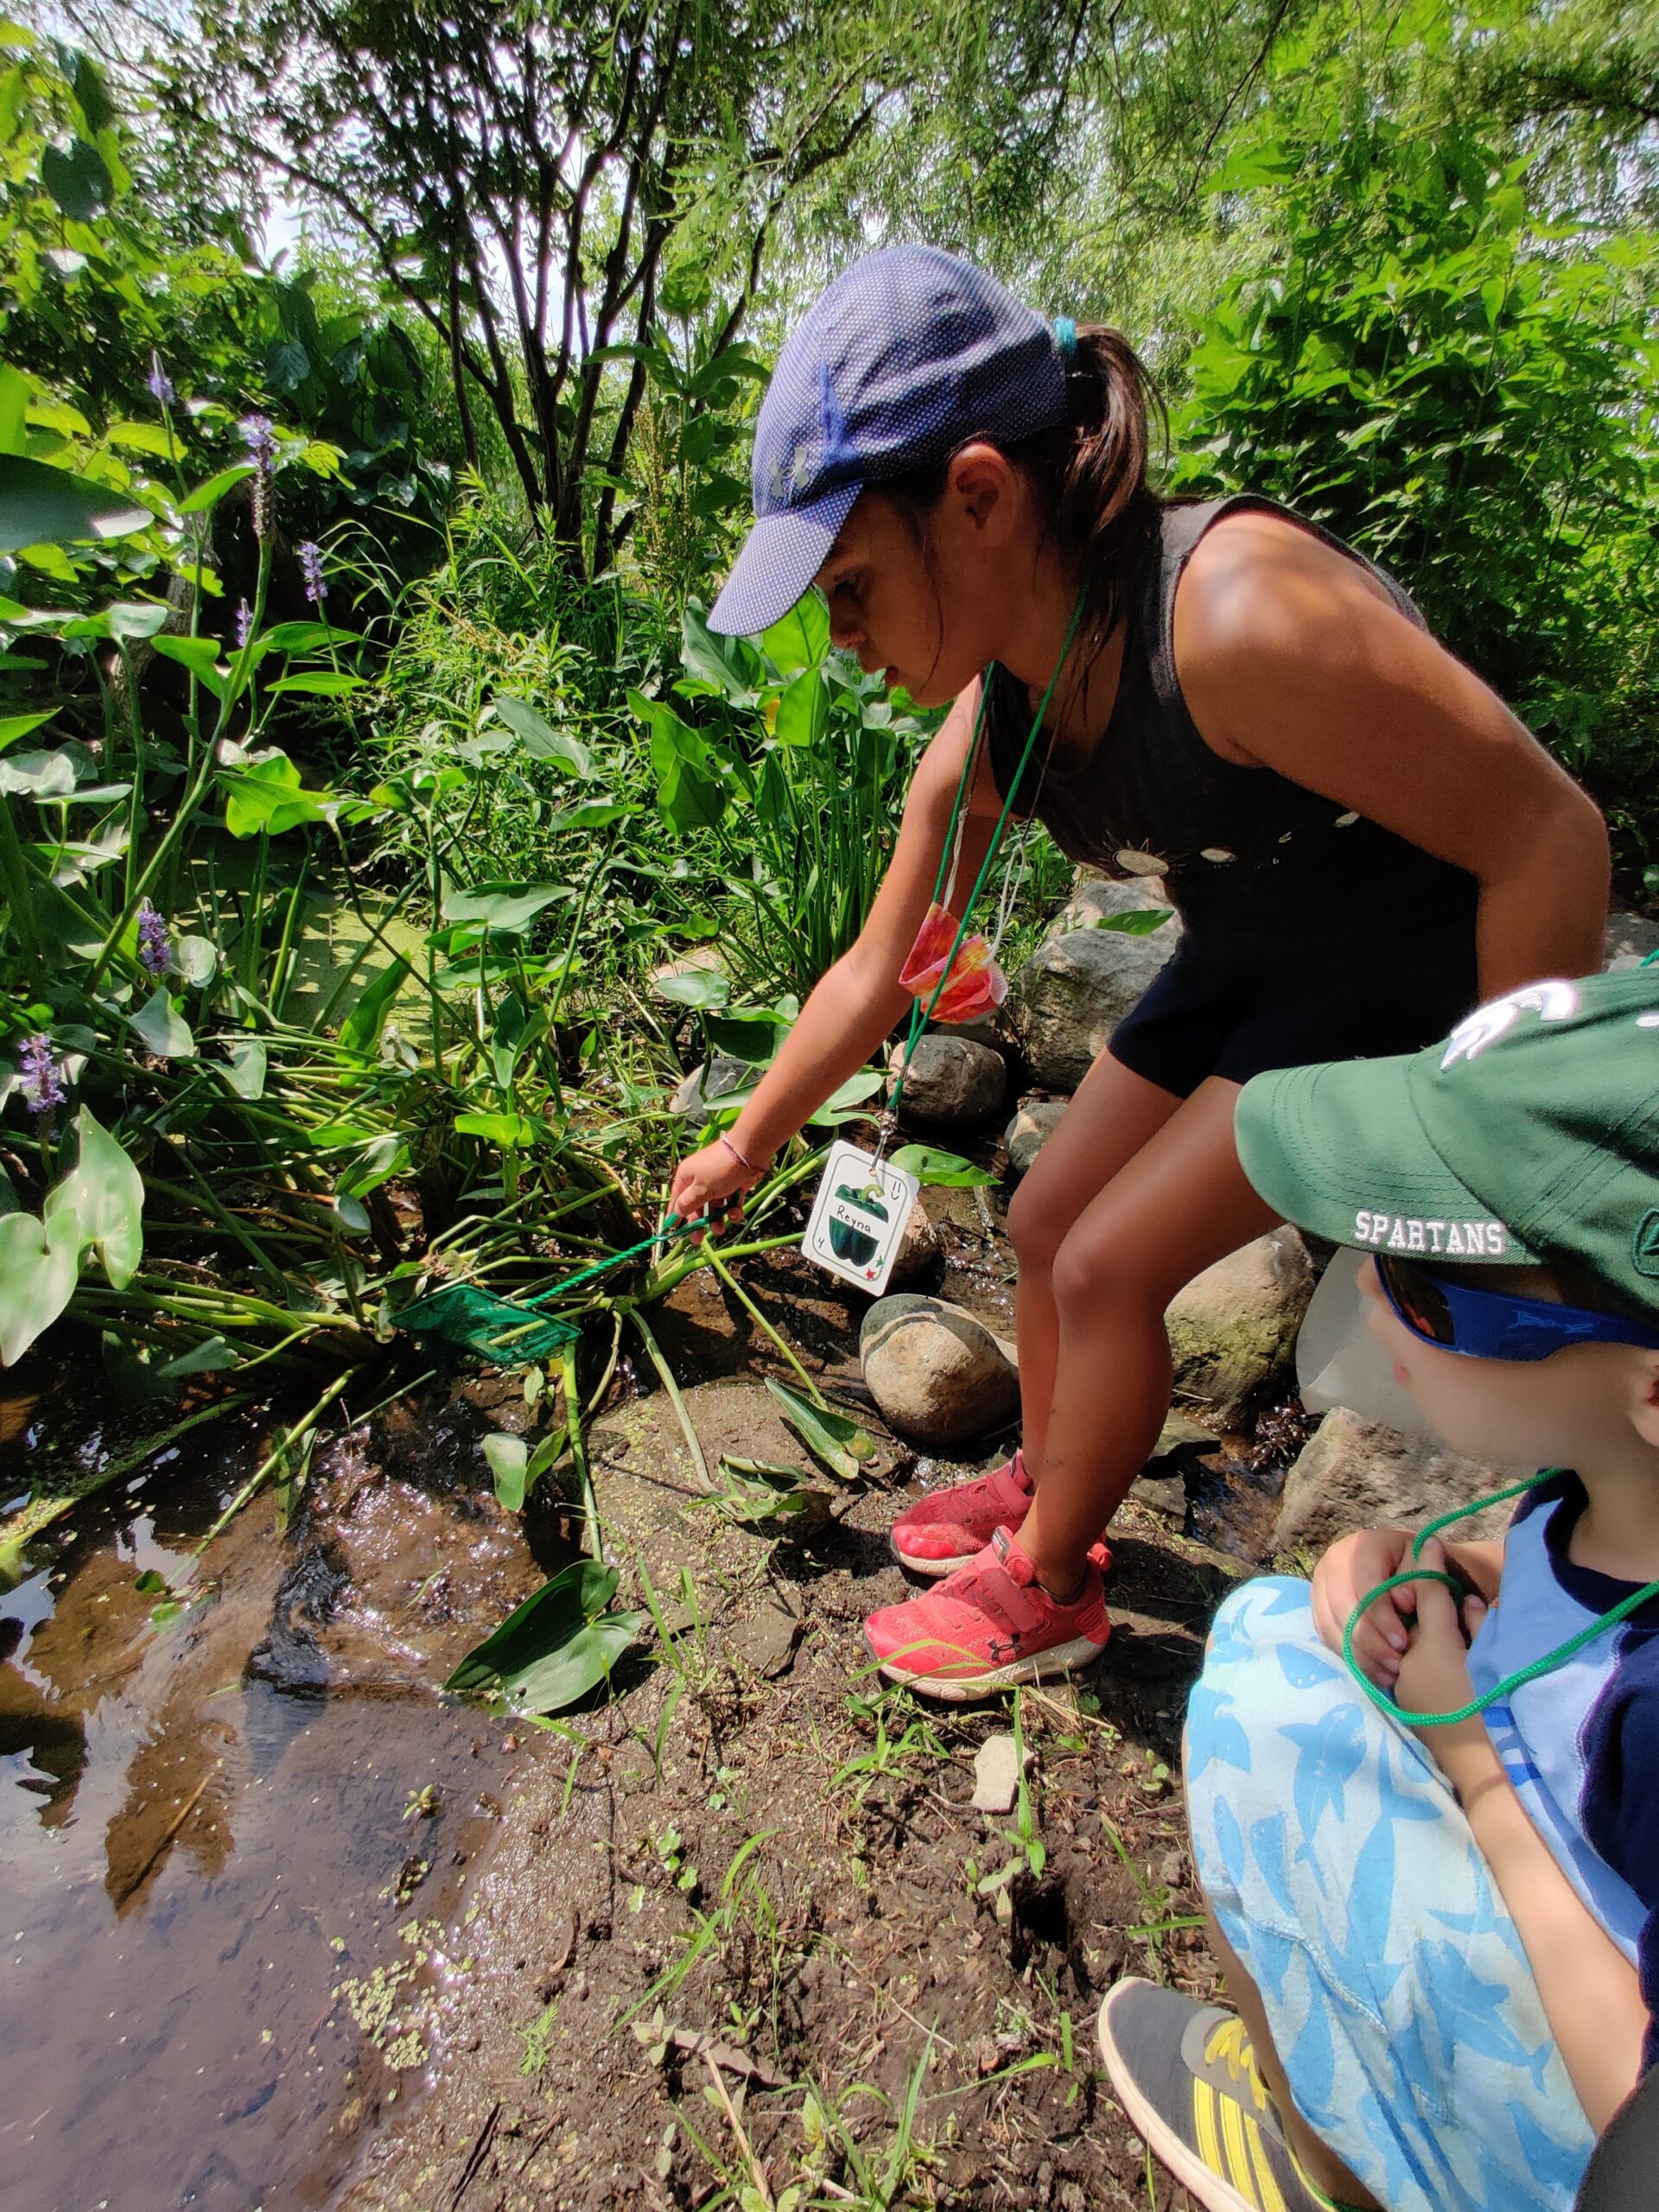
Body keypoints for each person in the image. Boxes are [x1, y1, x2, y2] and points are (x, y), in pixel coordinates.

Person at [667, 242, 1610, 1700]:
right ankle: (1058, 1485)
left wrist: (1506, 1166)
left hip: (1405, 985)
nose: (838, 638)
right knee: (1046, 1214)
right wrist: (744, 1140)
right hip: (1247, 954)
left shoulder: (1233, 619)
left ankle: (1050, 1584)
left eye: (848, 586)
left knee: (1109, 1267)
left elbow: (1551, 836)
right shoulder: (1001, 721)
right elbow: (872, 967)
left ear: (976, 494)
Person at [1096, 969, 1659, 2212]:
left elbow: (1640, 2108)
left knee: (1255, 1683)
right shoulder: (1609, 1497)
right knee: (1281, 1619)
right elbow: (1563, 1574)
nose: (1361, 1290)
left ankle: (1326, 2163)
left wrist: (1472, 1762)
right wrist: (1441, 1564)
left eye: (1420, 1284)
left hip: (1595, 2101)